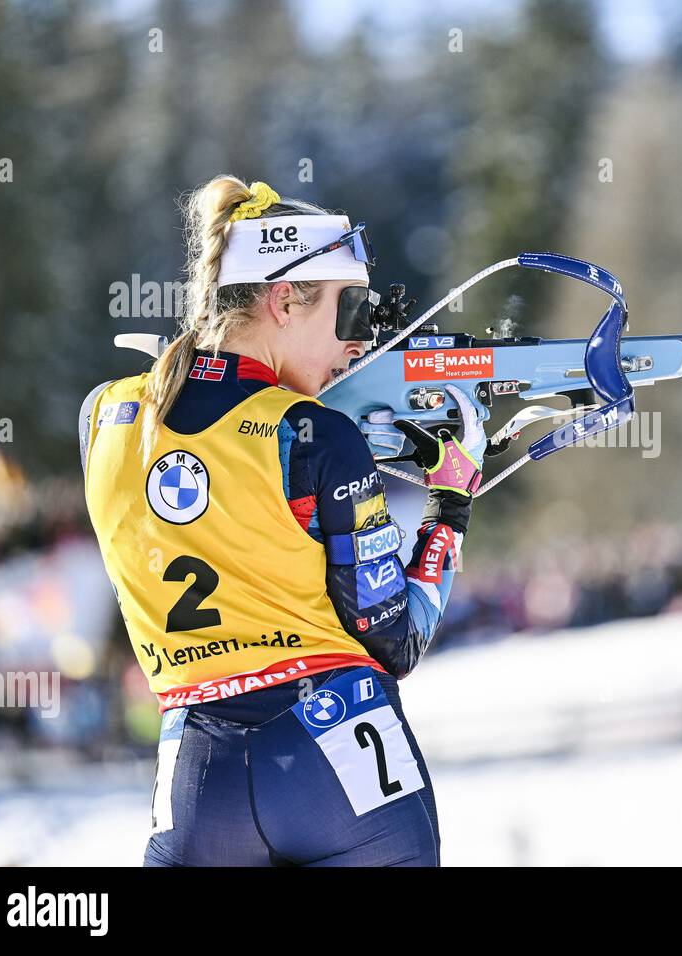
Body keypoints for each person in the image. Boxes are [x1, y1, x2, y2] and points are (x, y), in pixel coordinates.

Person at [78, 176, 484, 866]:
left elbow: (208, 433)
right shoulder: (313, 434)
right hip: (338, 747)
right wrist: (452, 505)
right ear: (283, 299)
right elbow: (395, 639)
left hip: (196, 769)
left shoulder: (104, 416)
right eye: (345, 312)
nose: (354, 345)